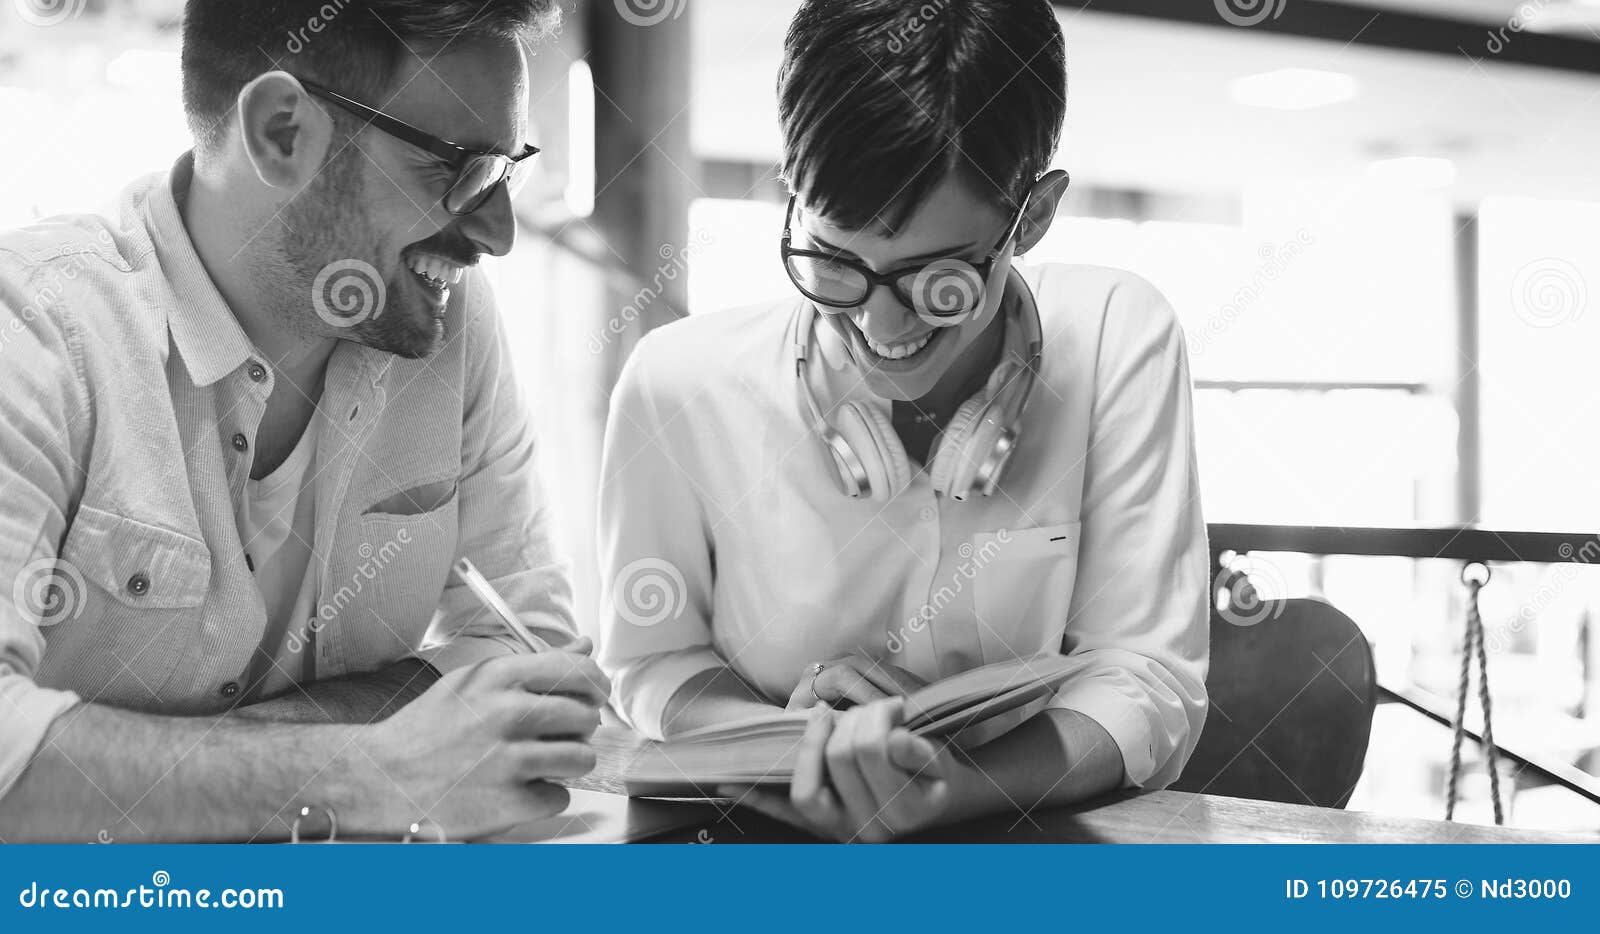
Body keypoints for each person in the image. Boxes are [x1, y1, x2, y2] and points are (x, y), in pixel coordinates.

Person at [598, 0, 1208, 842]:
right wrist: (793, 744)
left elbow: (1148, 678)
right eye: (836, 263)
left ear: (1030, 217)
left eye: (938, 280)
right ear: (793, 197)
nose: (885, 330)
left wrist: (950, 790)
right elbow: (653, 661)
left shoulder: (1117, 337)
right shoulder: (677, 385)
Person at [0, 0, 605, 842]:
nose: (496, 234)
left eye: (507, 171)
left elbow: (531, 659)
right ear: (283, 131)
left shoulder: (446, 318)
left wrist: (229, 755)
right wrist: (366, 770)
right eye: (460, 171)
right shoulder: (34, 326)